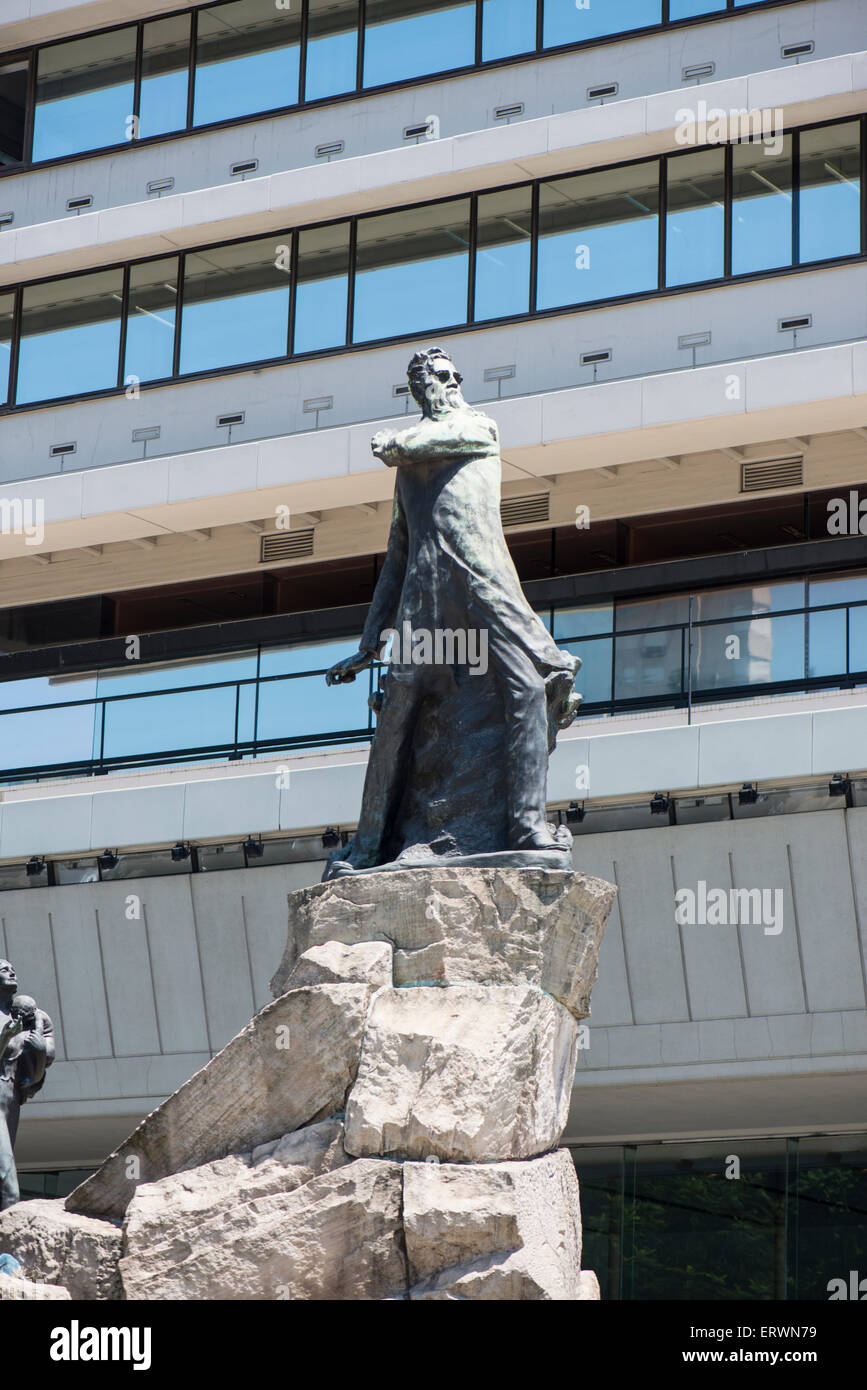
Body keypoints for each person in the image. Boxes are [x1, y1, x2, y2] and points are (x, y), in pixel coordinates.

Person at [325, 347, 580, 873]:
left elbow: (430, 436)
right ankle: (370, 845)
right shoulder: (410, 467)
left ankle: (527, 827)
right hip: (427, 602)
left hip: (486, 595)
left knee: (528, 690)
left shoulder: (478, 429)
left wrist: (393, 442)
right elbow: (396, 555)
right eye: (429, 384)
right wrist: (369, 642)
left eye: (444, 379)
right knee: (397, 715)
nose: (442, 389)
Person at [0, 961, 55, 1210]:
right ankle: (9, 1238)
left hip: (11, 1098)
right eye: (3, 969)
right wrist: (5, 1037)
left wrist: (41, 1051)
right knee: (7, 1177)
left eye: (12, 969)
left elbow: (45, 1057)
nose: (12, 972)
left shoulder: (27, 1015)